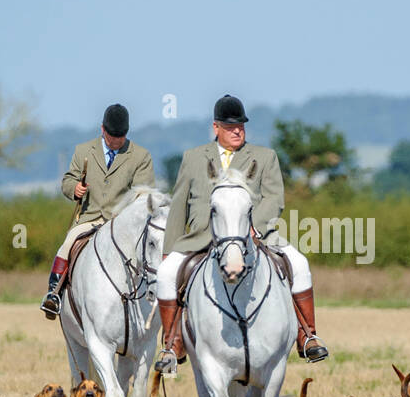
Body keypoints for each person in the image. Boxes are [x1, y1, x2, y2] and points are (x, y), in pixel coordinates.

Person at [153, 94, 328, 375]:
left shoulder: (264, 157)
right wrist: (168, 248)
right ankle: (172, 343)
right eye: (230, 126)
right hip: (201, 236)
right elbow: (178, 205)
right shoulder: (194, 158)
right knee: (165, 274)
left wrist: (254, 226)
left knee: (300, 263)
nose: (237, 130)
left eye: (241, 126)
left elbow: (274, 200)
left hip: (255, 236)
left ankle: (307, 335)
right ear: (216, 127)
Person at [40, 103, 155, 319]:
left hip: (122, 223)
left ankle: (152, 291)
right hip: (90, 219)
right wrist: (74, 189)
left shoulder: (141, 156)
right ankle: (53, 294)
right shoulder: (83, 150)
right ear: (102, 129)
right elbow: (67, 180)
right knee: (67, 245)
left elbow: (143, 193)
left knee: (148, 251)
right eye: (112, 136)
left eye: (121, 137)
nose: (116, 141)